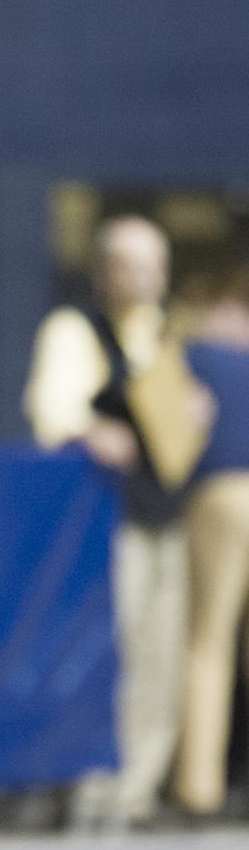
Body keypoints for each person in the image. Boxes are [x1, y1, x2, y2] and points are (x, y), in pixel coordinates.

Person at [23, 215, 187, 832]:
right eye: (132, 267)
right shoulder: (76, 329)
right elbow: (52, 411)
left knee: (159, 654)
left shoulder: (166, 332)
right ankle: (94, 787)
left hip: (163, 513)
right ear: (105, 271)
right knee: (105, 653)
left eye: (156, 268)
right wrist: (89, 430)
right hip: (102, 520)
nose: (146, 281)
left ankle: (138, 790)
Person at [172, 273, 249, 817]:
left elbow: (178, 434)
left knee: (207, 642)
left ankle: (198, 789)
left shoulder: (194, 358)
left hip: (221, 493)